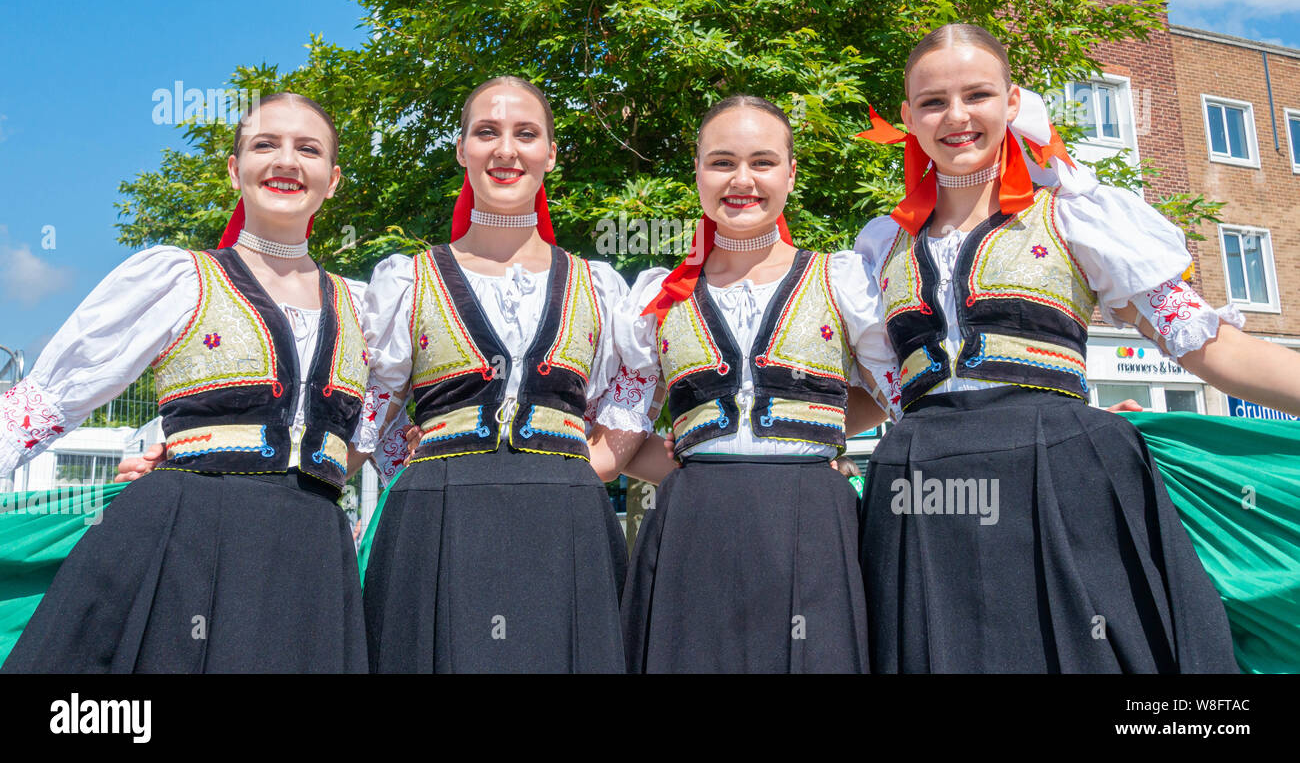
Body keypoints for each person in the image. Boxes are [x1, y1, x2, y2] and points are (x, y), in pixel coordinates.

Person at [855, 22, 1300, 673]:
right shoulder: (876, 247)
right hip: (922, 490)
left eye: (977, 95)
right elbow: (869, 397)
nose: (956, 116)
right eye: (933, 101)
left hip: (1059, 477)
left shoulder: (1074, 214)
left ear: (1011, 103)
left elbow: (1211, 350)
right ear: (907, 119)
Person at [0, 92, 370, 673]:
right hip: (186, 536)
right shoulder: (179, 279)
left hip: (310, 548)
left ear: (333, 179)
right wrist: (193, 460)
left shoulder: (367, 308)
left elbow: (373, 437)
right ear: (234, 169)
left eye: (308, 149)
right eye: (265, 144)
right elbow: (47, 398)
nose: (286, 161)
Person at [597, 94, 892, 673]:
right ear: (699, 171)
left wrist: (809, 445)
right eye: (722, 161)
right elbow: (622, 435)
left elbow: (895, 392)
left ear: (790, 172)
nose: (742, 180)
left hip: (814, 517)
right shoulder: (656, 299)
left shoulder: (842, 278)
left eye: (762, 161)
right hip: (692, 523)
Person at [357, 76, 637, 673]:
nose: (506, 150)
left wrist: (580, 466)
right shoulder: (407, 281)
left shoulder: (602, 287)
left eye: (525, 134)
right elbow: (367, 411)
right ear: (461, 150)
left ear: (551, 154)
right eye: (487, 132)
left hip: (568, 523)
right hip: (436, 520)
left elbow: (628, 401)